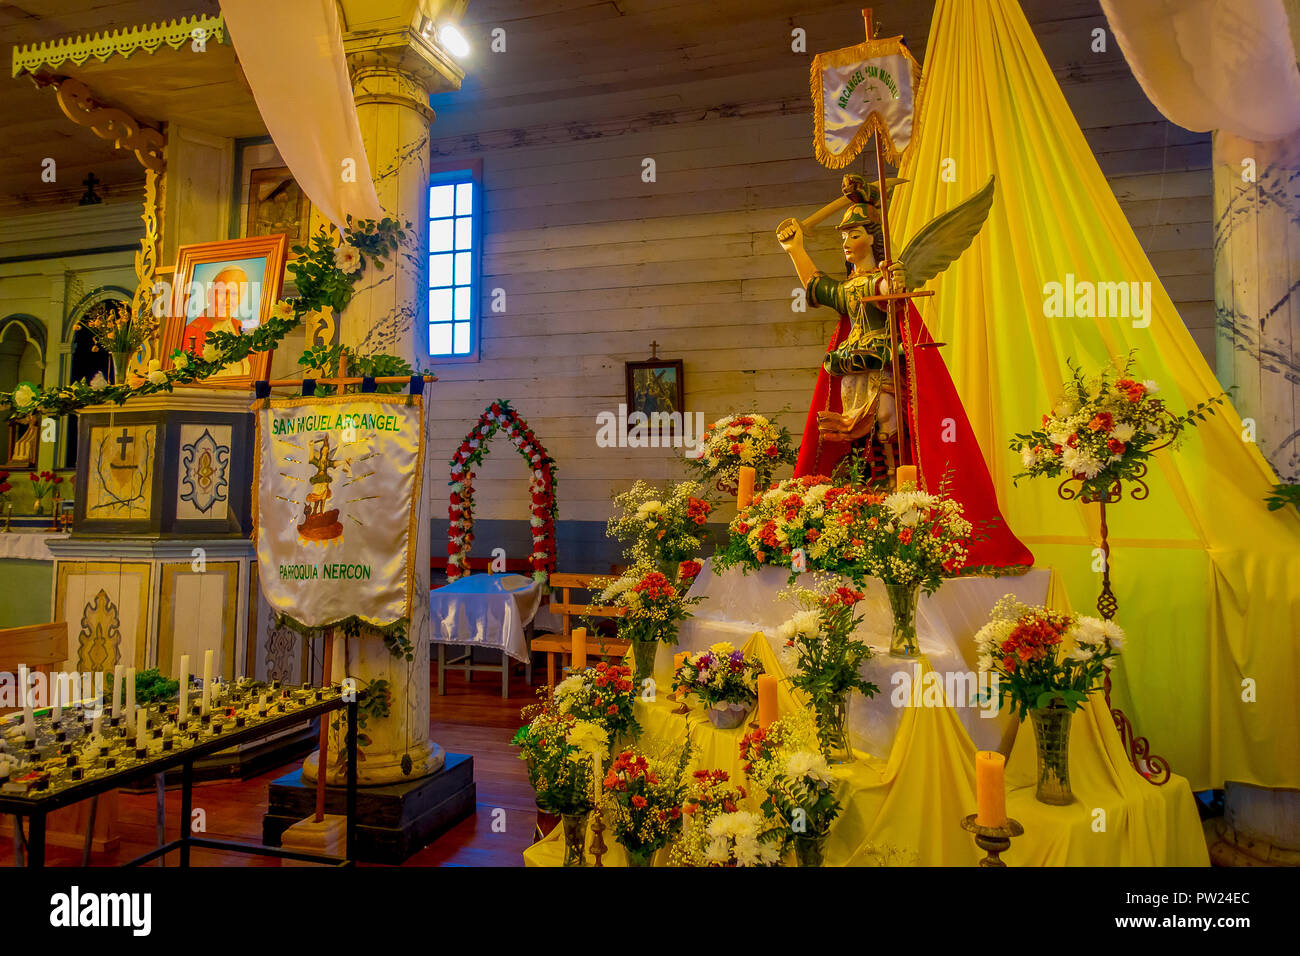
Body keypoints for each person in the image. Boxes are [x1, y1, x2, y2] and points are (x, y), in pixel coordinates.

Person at [775, 174, 1035, 572]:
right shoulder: (848, 289)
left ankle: (902, 490)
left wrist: (895, 278)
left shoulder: (880, 279)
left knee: (887, 427)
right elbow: (815, 285)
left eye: (854, 233)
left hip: (881, 365)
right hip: (851, 368)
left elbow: (890, 293)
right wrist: (795, 248)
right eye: (843, 235)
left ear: (873, 238)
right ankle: (866, 491)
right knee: (849, 431)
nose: (845, 241)